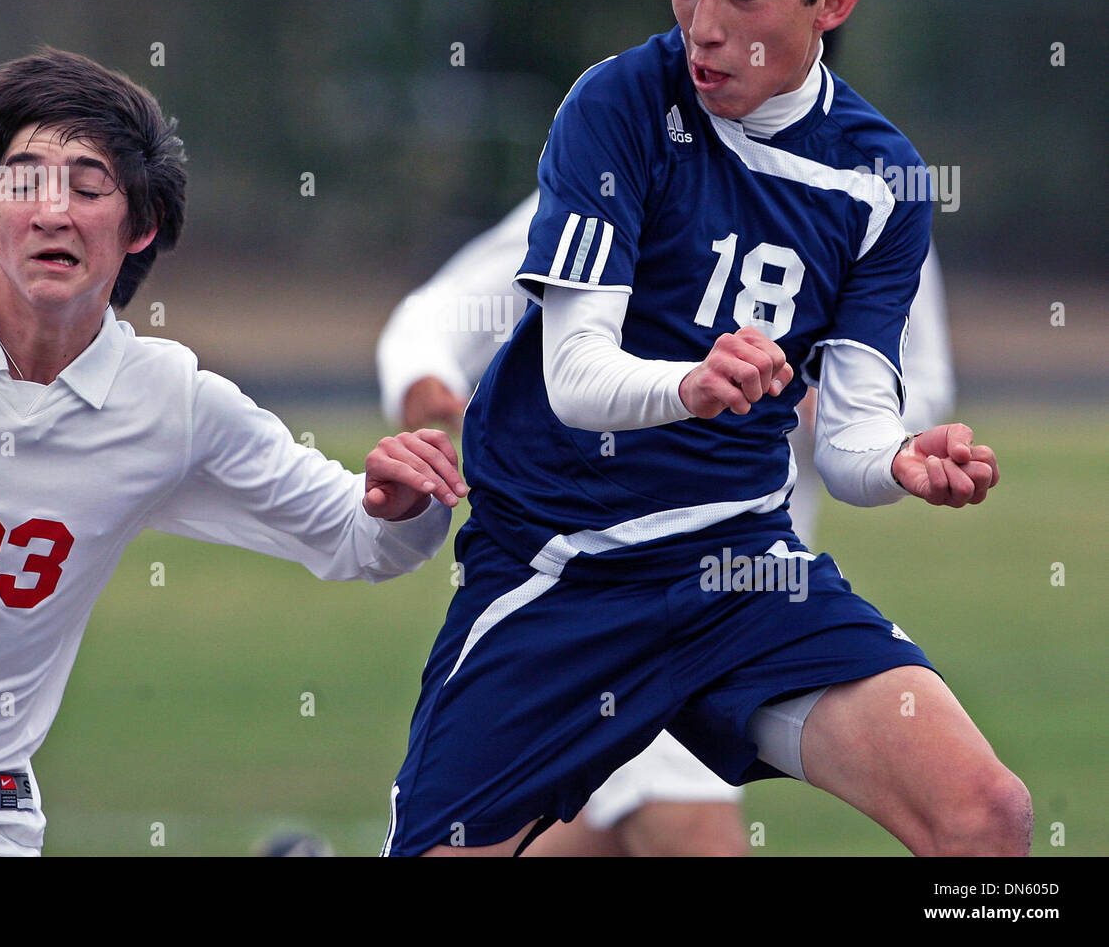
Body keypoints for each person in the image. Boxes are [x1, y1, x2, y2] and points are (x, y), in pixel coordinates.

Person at [381, 0, 1026, 858]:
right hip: (564, 567)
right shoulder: (619, 104)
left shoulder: (878, 180)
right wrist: (696, 381)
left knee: (984, 815)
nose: (703, 27)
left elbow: (853, 445)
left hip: (742, 572)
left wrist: (901, 458)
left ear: (832, 1)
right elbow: (577, 376)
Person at [0, 48, 466, 857]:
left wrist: (402, 503)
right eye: (23, 182)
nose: (53, 211)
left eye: (88, 188)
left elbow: (357, 535)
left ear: (141, 225)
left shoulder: (170, 404)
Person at [376, 201, 954, 857]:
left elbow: (921, 383)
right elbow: (442, 311)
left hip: (753, 598)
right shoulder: (621, 163)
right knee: (684, 830)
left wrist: (852, 417)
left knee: (619, 829)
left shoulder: (871, 192)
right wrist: (426, 381)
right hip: (605, 591)